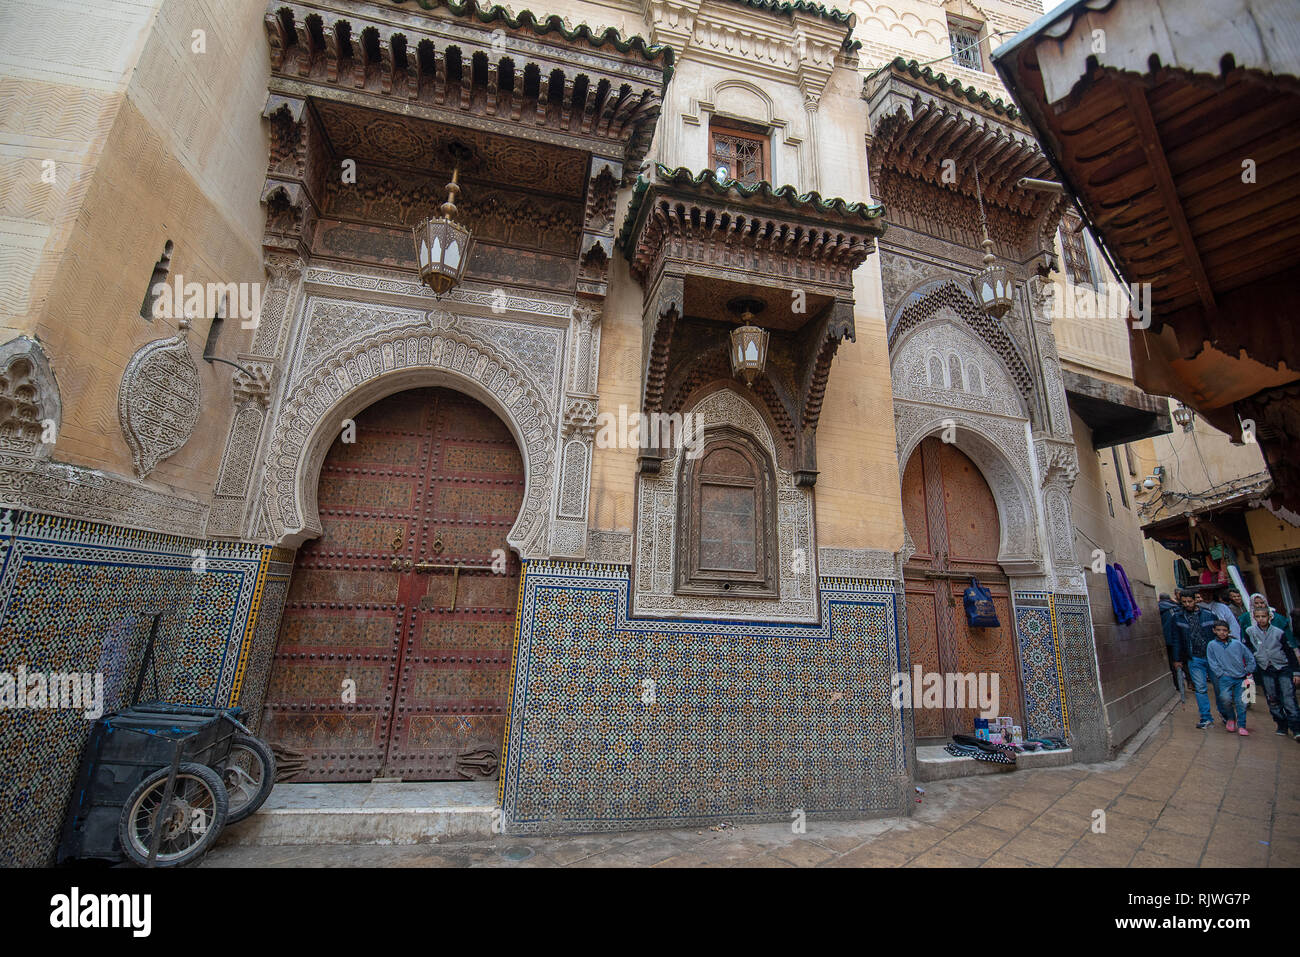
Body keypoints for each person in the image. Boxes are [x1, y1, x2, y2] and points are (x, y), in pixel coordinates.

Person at [1166, 589, 1221, 728]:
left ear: (1195, 600)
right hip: (1194, 658)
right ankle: (1206, 717)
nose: (1187, 604)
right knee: (1200, 688)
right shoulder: (1177, 618)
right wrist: (1177, 659)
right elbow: (1176, 639)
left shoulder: (1209, 615)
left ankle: (1226, 715)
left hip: (1212, 657)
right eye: (1184, 602)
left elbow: (1219, 636)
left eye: (1190, 601)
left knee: (1219, 688)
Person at [1245, 605, 1300, 740]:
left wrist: (1296, 672)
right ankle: (1281, 724)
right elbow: (1248, 649)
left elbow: (1289, 652)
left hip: (1283, 667)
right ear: (1254, 618)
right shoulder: (1249, 631)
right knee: (1272, 698)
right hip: (1265, 668)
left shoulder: (1278, 632)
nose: (1261, 619)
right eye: (1258, 617)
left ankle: (1296, 728)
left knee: (1289, 698)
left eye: (1263, 616)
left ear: (1269, 617)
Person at [1206, 620, 1256, 735]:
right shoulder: (1212, 645)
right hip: (1225, 678)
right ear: (1214, 631)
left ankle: (1242, 725)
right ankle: (1230, 718)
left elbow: (1249, 657)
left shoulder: (1236, 644)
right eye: (1218, 630)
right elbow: (1212, 661)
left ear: (1229, 631)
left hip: (1240, 677)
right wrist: (1220, 673)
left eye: (1224, 630)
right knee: (1225, 699)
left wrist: (1248, 670)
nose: (1222, 633)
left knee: (1241, 702)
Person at [1158, 593, 1181, 691]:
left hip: (1166, 639)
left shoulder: (1158, 608)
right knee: (1179, 661)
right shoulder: (1176, 608)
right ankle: (1187, 682)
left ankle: (1177, 685)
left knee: (1172, 662)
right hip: (1177, 638)